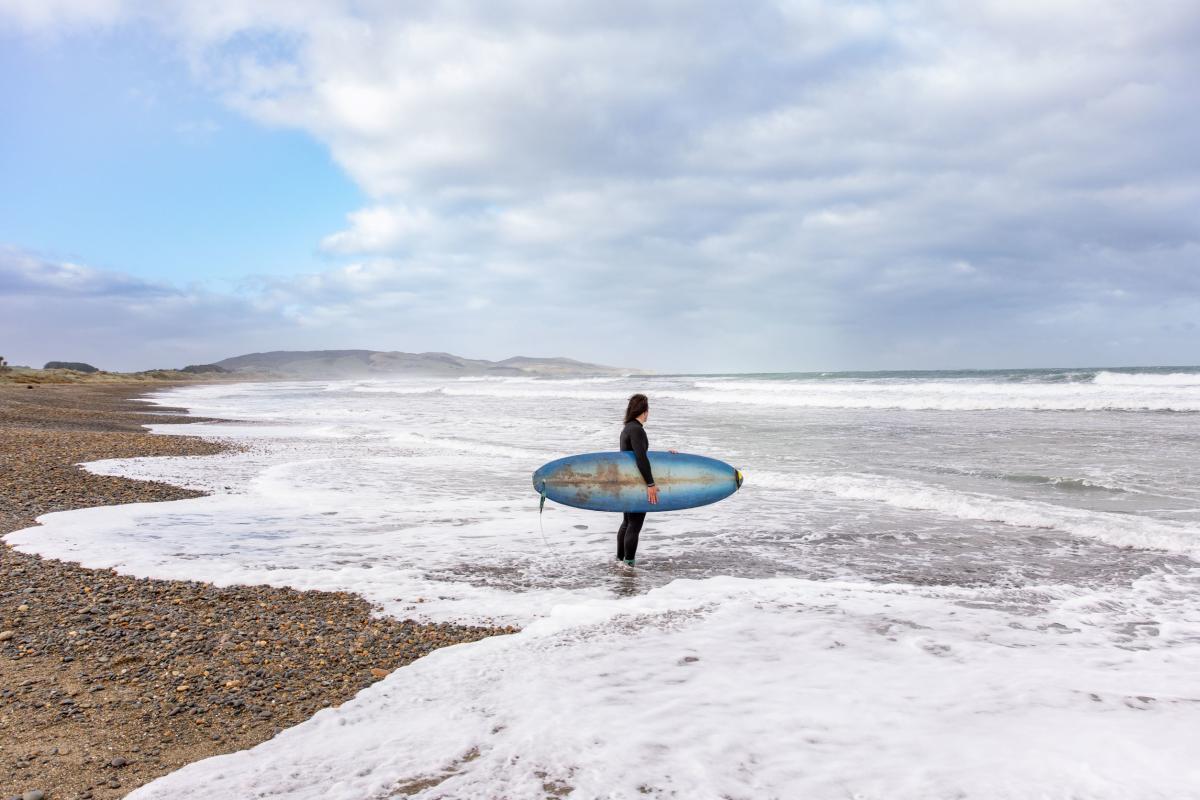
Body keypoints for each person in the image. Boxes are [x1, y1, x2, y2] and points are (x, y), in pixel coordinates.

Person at [617, 393, 657, 566]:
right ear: (644, 411)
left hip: (627, 483)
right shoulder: (637, 430)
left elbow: (636, 457)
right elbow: (641, 458)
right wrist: (651, 484)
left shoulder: (628, 428)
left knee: (627, 522)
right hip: (637, 484)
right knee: (634, 524)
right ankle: (629, 564)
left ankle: (620, 560)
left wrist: (669, 457)